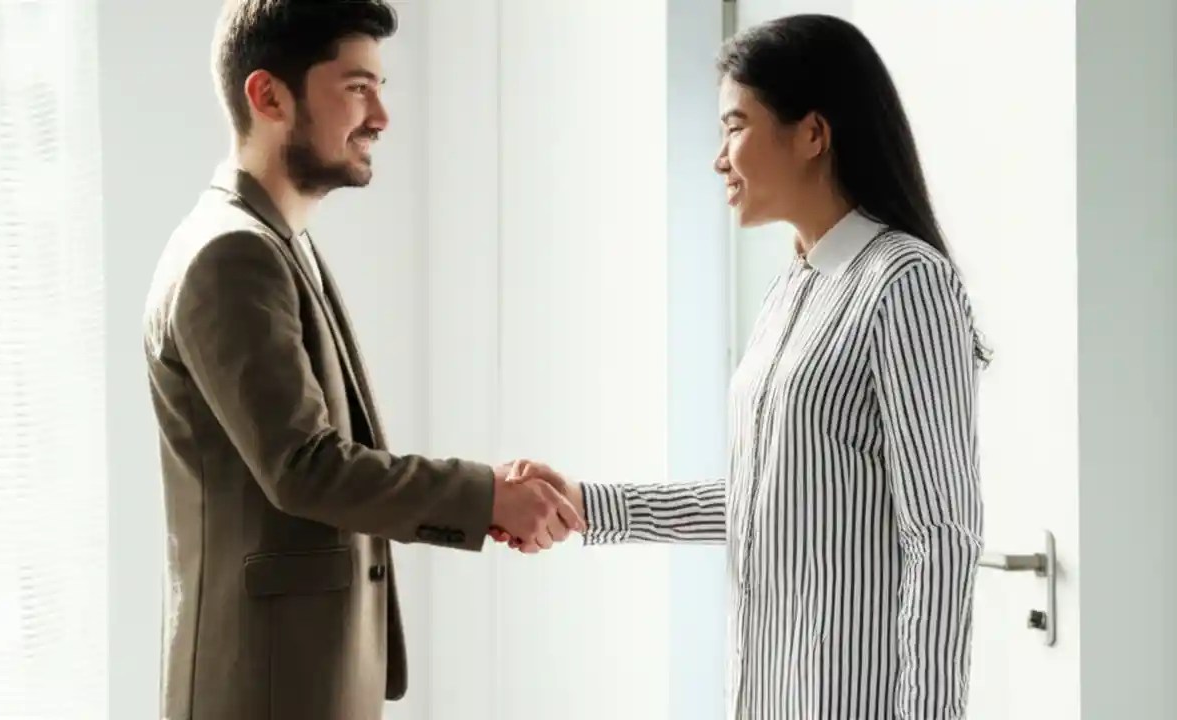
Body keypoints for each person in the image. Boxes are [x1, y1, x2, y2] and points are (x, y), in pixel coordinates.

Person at [497, 14, 988, 720]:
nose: (718, 158)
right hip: (765, 691)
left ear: (812, 133)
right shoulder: (790, 288)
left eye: (734, 126)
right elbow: (771, 497)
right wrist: (585, 502)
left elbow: (940, 533)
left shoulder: (905, 280)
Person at [142, 2, 582, 718]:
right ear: (268, 96)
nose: (380, 117)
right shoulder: (232, 253)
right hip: (264, 687)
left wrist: (492, 493)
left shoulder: (276, 243)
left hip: (297, 677)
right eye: (356, 87)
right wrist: (486, 498)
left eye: (380, 88)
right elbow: (304, 467)